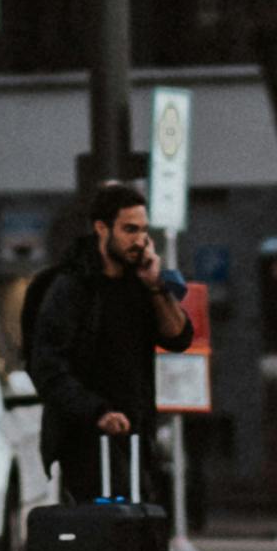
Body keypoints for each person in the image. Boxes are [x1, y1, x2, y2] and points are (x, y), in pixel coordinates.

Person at [23, 184, 193, 512]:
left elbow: (179, 337)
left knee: (139, 524)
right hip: (86, 439)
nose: (139, 240)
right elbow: (48, 367)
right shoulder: (71, 287)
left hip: (137, 434)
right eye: (129, 230)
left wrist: (156, 286)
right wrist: (97, 412)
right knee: (104, 525)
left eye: (143, 230)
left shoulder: (139, 284)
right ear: (102, 228)